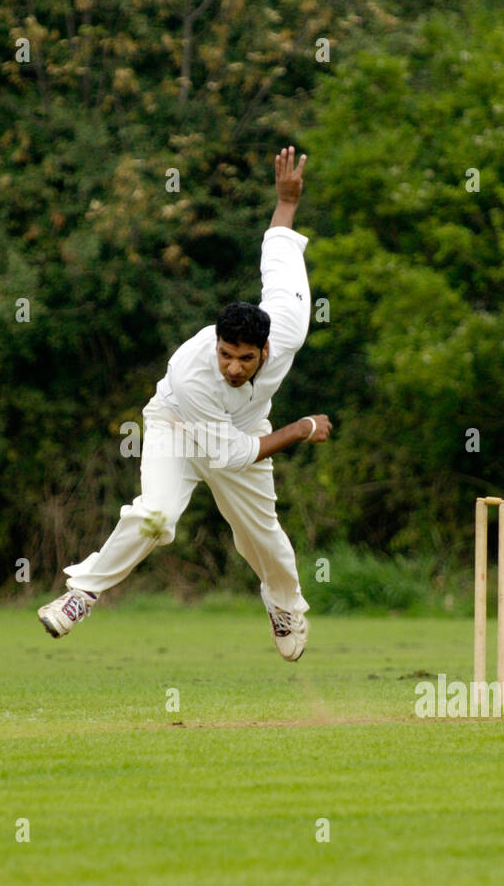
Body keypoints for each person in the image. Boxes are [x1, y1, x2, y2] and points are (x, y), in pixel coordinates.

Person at [38, 146, 331, 660]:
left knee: (262, 536)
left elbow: (280, 257)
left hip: (243, 426)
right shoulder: (193, 371)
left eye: (244, 358)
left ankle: (285, 606)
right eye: (225, 355)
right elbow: (231, 456)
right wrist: (302, 427)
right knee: (156, 515)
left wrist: (286, 202)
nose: (233, 367)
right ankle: (83, 593)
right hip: (178, 424)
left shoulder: (288, 325)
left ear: (266, 349)